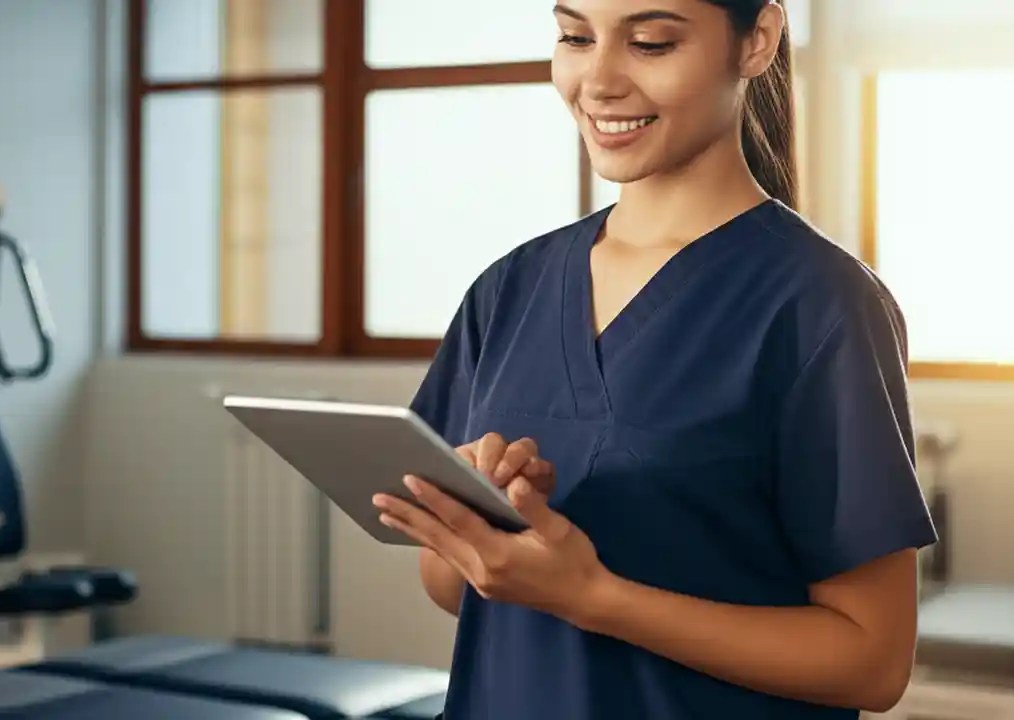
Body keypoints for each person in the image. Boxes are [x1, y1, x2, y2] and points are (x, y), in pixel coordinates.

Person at [370, 0, 938, 717]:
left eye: (650, 43)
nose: (598, 80)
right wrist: (500, 518)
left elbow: (871, 662)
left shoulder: (819, 303)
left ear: (757, 40)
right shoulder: (509, 288)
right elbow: (452, 587)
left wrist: (594, 597)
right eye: (575, 37)